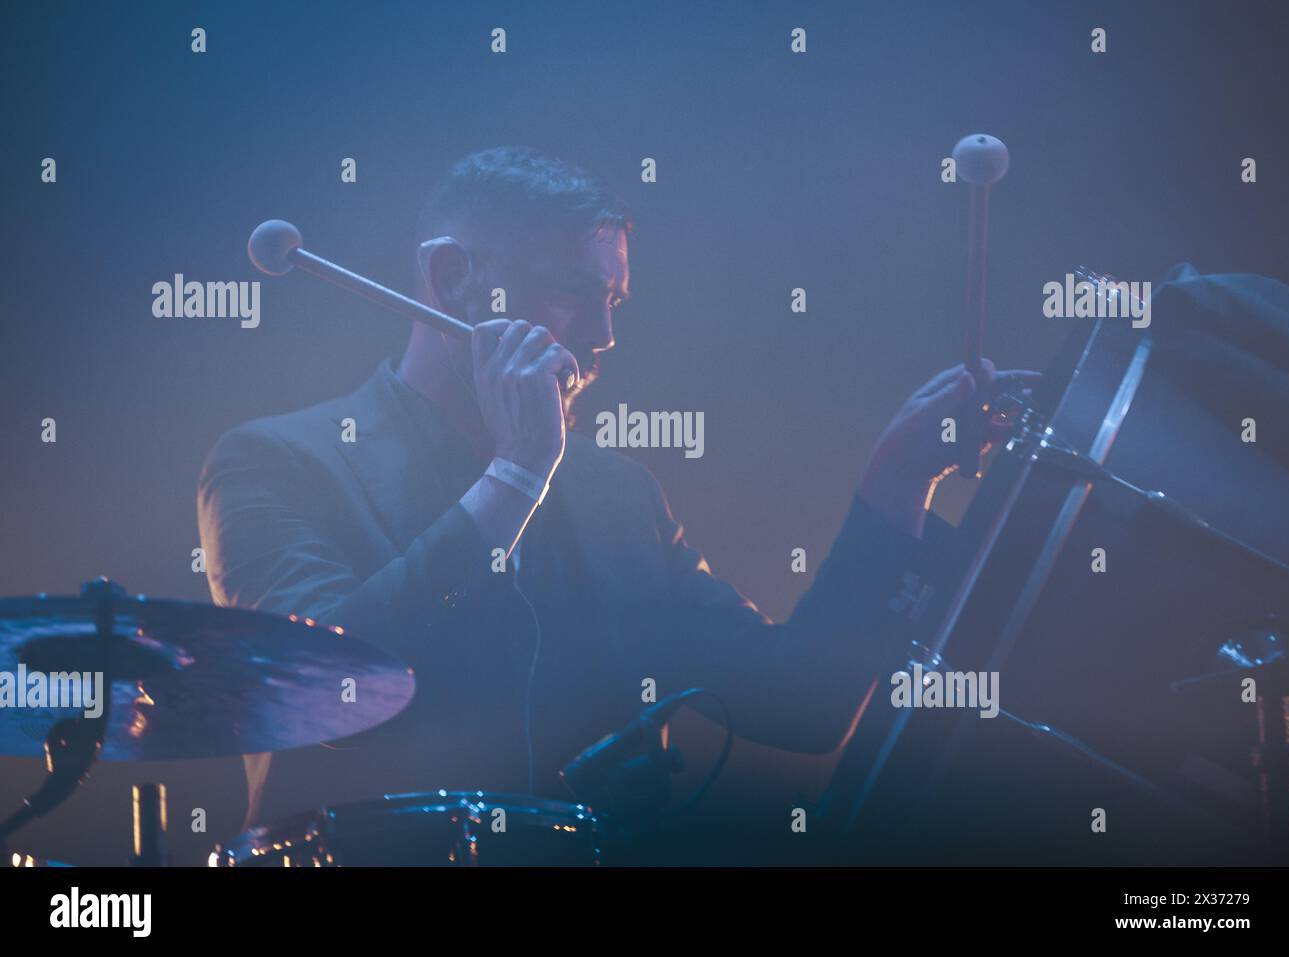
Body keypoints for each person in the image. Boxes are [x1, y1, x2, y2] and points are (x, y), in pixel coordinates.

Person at [197, 145, 1033, 841]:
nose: (603, 338)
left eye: (614, 301)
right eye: (572, 294)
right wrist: (514, 477)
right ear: (450, 277)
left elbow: (799, 703)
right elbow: (327, 692)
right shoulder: (275, 463)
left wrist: (897, 482)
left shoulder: (617, 493)